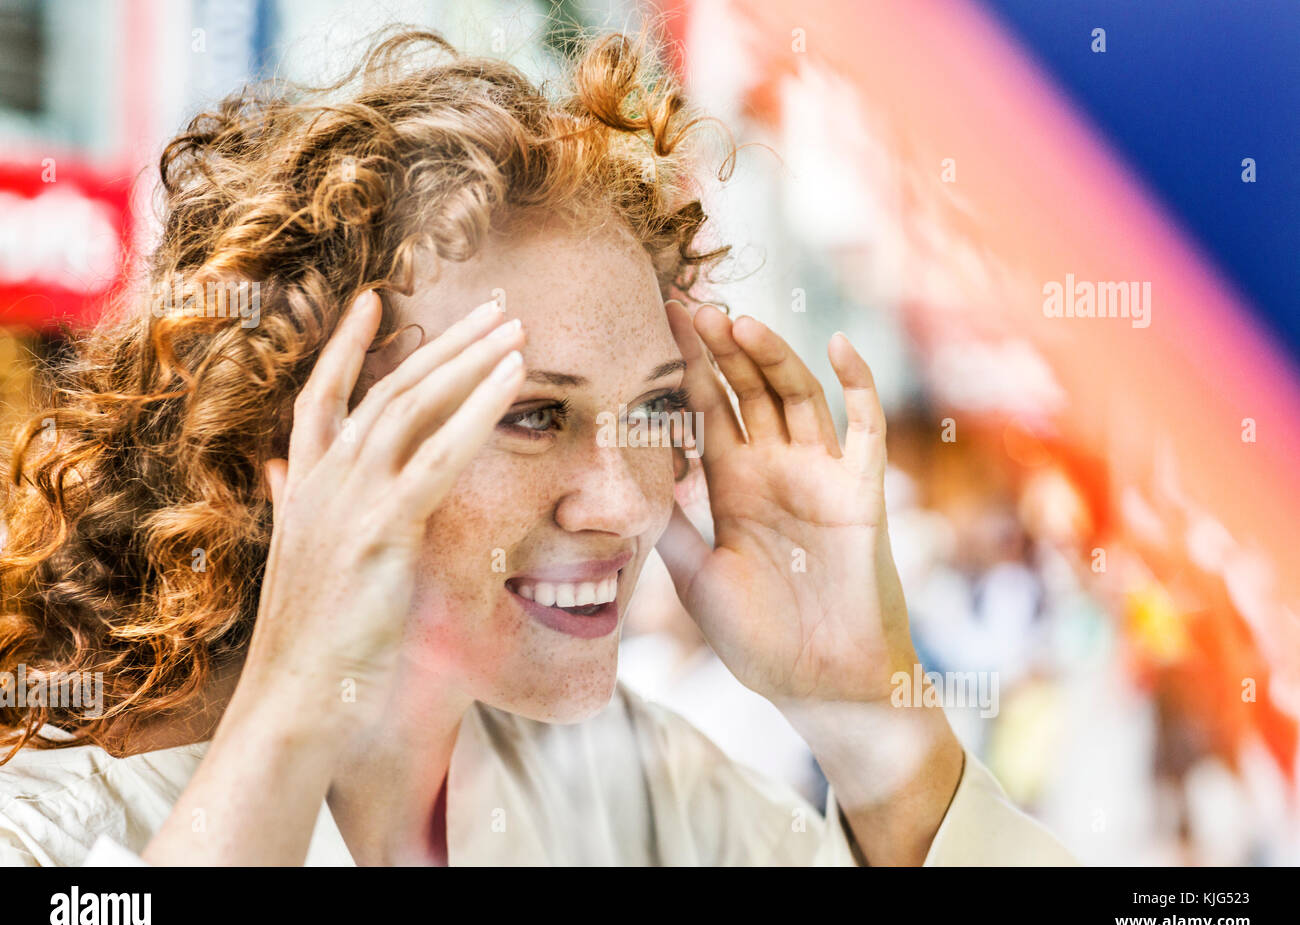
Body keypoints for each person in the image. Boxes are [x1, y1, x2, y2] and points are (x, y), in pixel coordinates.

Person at [0, 28, 1074, 866]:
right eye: (531, 414)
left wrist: (867, 719)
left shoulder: (639, 791)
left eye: (655, 412)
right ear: (294, 437)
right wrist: (288, 718)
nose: (624, 505)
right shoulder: (56, 819)